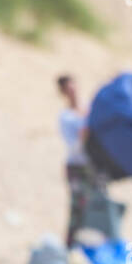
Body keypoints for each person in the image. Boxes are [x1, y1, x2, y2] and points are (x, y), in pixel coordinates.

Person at [57, 75, 90, 247]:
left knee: (95, 207)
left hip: (94, 166)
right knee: (78, 208)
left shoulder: (89, 109)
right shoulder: (66, 117)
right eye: (68, 89)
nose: (72, 91)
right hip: (76, 166)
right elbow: (74, 144)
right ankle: (70, 247)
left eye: (73, 87)